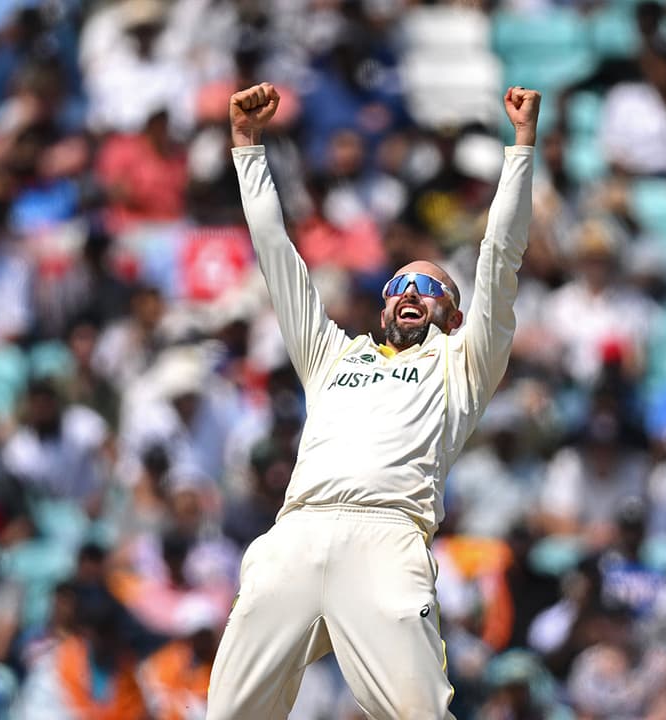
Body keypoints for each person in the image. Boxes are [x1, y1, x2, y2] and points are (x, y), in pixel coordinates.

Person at [205, 82, 540, 718]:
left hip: (386, 540)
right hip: (296, 533)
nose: (410, 292)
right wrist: (247, 148)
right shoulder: (332, 355)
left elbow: (500, 258)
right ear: (383, 304)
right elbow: (278, 257)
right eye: (398, 285)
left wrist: (520, 147)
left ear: (454, 315)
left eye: (429, 287)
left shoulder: (463, 363)